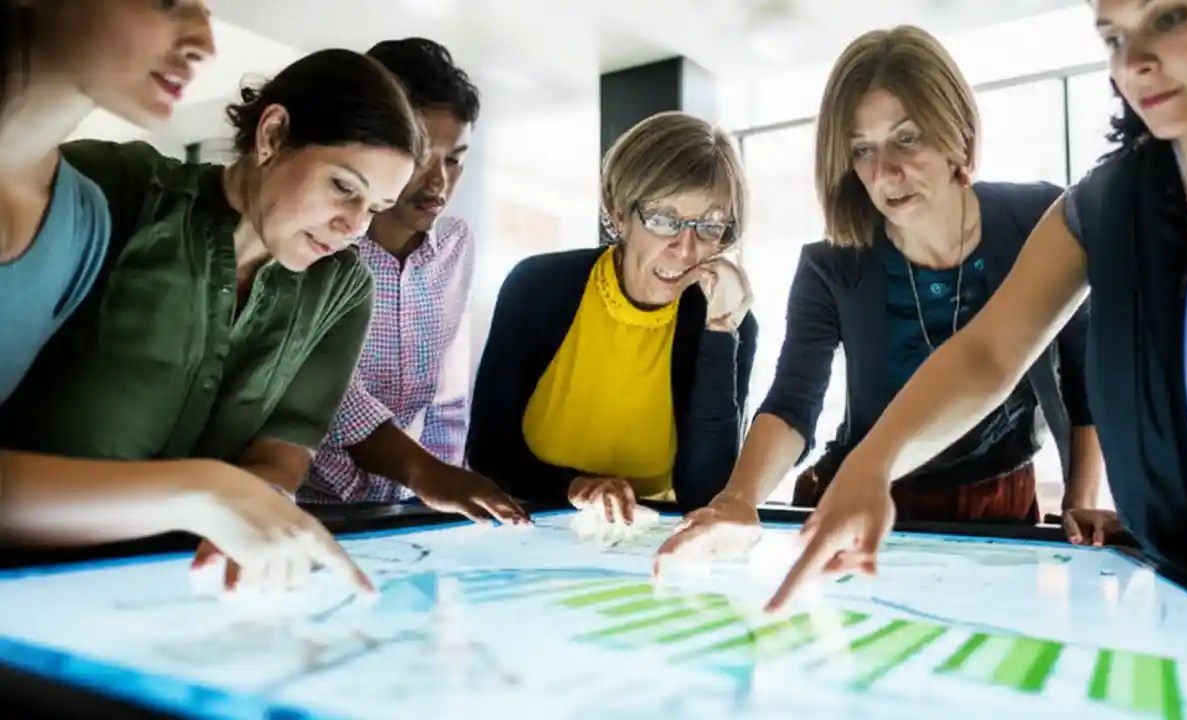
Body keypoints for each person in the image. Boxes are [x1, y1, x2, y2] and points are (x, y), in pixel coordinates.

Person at [765, 0, 1187, 612]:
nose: (1134, 63)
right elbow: (988, 352)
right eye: (1112, 38)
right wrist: (872, 464)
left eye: (1167, 18)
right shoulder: (1103, 205)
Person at [655, 26, 1103, 567]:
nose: (885, 172)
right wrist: (740, 498)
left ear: (958, 132)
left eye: (907, 138)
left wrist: (1080, 503)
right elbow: (793, 404)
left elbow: (1086, 382)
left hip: (1001, 497)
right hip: (865, 496)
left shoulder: (1041, 222)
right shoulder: (830, 264)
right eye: (862, 149)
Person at [1, 46, 426, 593]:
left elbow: (280, 455)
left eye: (374, 207)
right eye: (344, 186)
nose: (353, 227)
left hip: (173, 593)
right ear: (271, 135)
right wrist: (203, 495)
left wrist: (258, 511)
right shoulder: (108, 190)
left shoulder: (341, 288)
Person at [466, 111, 757, 522]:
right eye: (664, 220)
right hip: (533, 527)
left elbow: (706, 490)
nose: (687, 250)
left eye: (708, 226)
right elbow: (488, 456)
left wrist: (721, 330)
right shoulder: (538, 287)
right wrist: (575, 487)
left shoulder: (726, 322)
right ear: (619, 213)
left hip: (653, 542)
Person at [299, 38, 527, 525]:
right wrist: (430, 476)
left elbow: (447, 397)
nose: (439, 182)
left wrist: (446, 493)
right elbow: (328, 390)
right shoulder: (320, 242)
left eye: (454, 158)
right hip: (301, 503)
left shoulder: (456, 245)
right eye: (423, 155)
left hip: (401, 505)